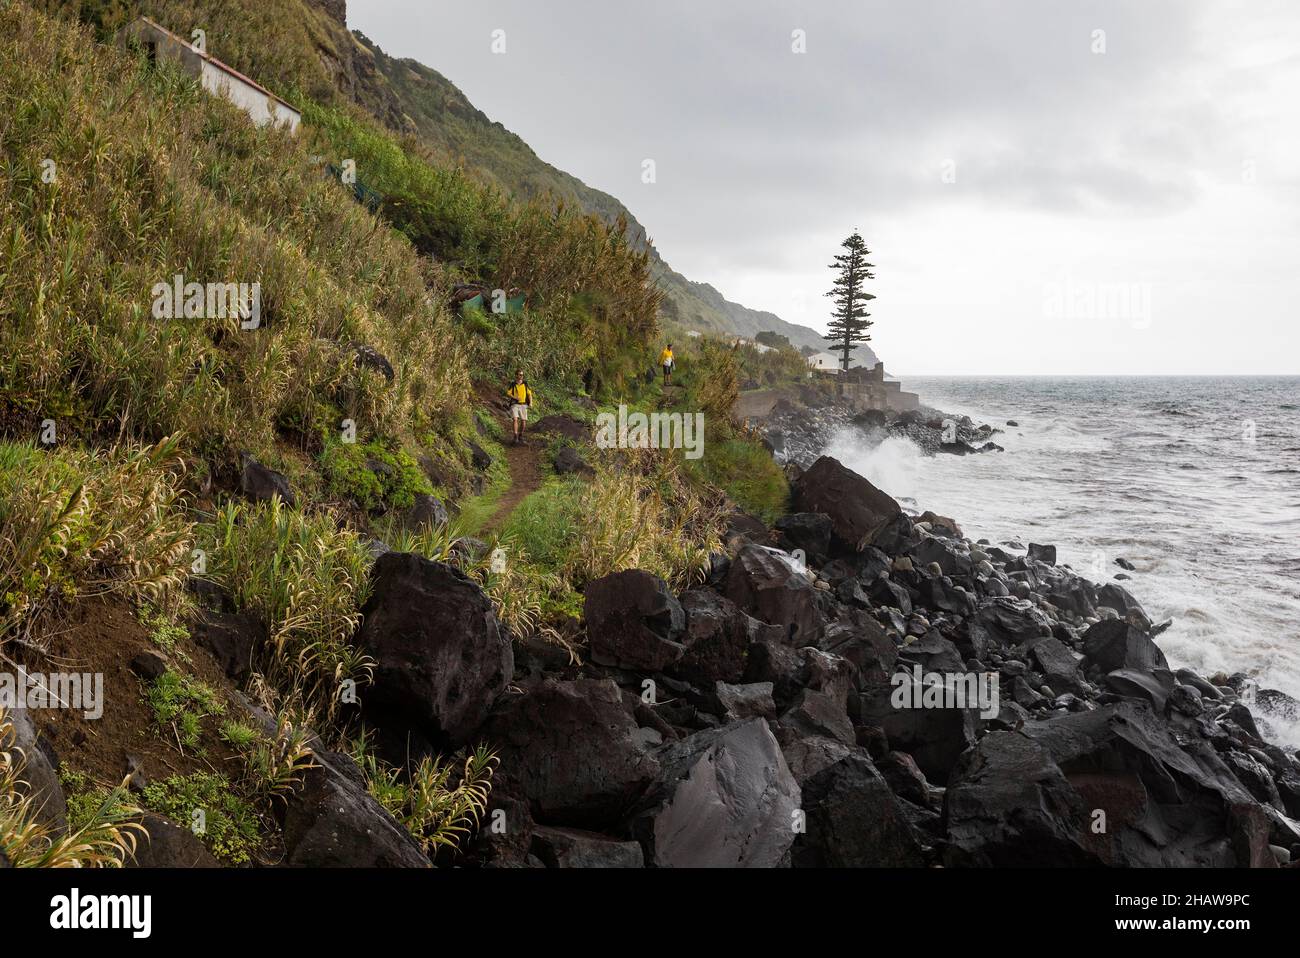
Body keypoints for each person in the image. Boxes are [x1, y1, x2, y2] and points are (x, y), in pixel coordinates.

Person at [505, 370, 534, 444]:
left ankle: (520, 434)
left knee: (523, 421)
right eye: (520, 375)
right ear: (516, 375)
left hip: (523, 404)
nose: (521, 376)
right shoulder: (513, 384)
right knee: (515, 419)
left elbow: (529, 394)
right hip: (515, 404)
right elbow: (508, 393)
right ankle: (515, 436)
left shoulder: (525, 384)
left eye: (522, 375)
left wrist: (530, 403)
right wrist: (515, 397)